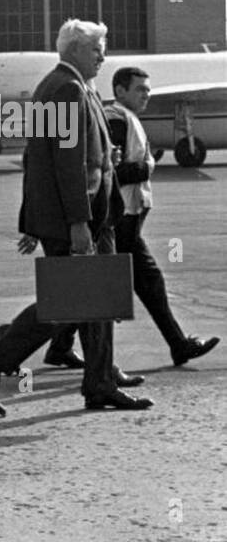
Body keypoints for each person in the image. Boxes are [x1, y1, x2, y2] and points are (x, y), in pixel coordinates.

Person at [0, 20, 154, 415]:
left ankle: (100, 380)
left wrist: (106, 160)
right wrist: (78, 223)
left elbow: (43, 157)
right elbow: (65, 163)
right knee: (69, 301)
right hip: (80, 216)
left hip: (85, 213)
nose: (103, 56)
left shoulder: (67, 86)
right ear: (73, 51)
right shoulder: (66, 89)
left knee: (94, 300)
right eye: (95, 50)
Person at [31, 67, 219, 369]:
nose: (146, 94)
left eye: (147, 89)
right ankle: (11, 346)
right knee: (101, 290)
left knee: (119, 286)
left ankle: (58, 346)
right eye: (140, 89)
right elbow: (105, 173)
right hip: (119, 219)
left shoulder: (125, 118)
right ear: (120, 91)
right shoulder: (116, 119)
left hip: (129, 217)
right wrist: (145, 168)